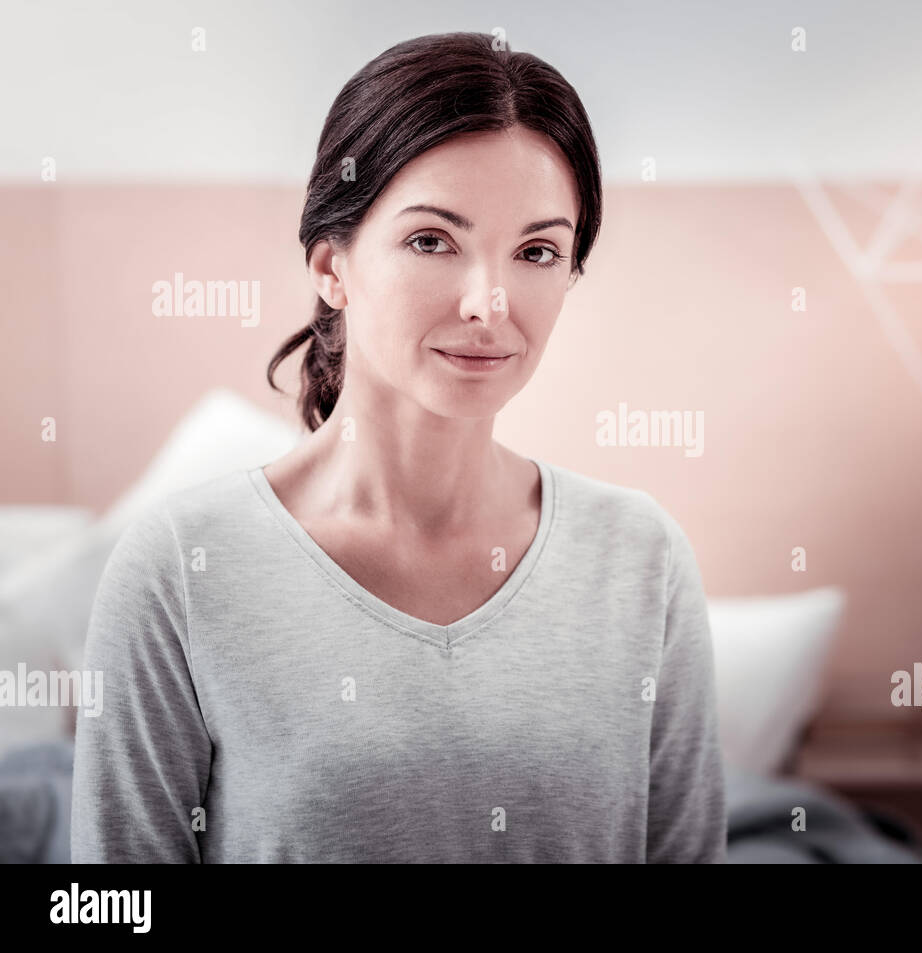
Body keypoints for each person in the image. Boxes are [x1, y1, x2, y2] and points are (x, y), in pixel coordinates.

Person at [70, 31, 726, 863]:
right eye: (432, 240)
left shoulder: (641, 560)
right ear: (332, 265)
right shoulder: (180, 568)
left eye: (536, 252)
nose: (489, 303)